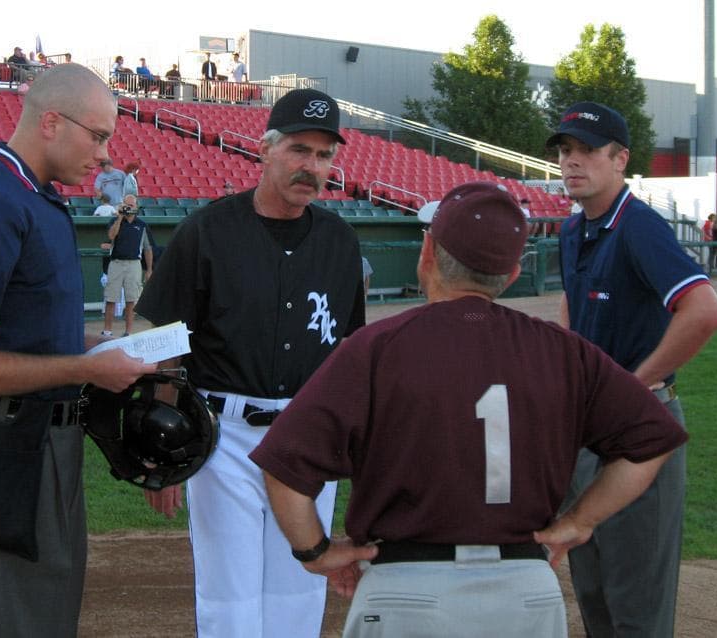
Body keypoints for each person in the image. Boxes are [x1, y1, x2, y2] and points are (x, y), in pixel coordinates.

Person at [249, 182, 692, 637]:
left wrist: (315, 552)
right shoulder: (564, 351)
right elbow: (652, 440)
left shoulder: (376, 347)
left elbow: (284, 466)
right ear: (514, 272)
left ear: (428, 252)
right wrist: (580, 522)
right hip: (526, 591)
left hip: (406, 589)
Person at [0, 62, 156, 637]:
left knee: (46, 618)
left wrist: (108, 349)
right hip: (5, 449)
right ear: (51, 121)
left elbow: (36, 335)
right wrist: (86, 367)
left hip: (47, 441)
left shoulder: (37, 198)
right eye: (99, 135)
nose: (107, 154)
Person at [136, 88, 365, 638]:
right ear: (264, 150)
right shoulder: (207, 232)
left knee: (299, 593)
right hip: (223, 439)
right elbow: (163, 342)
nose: (312, 166)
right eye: (298, 150)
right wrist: (163, 452)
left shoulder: (339, 241)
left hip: (308, 438)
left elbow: (352, 355)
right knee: (230, 600)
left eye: (324, 155)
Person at [551, 101, 717, 637]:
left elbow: (706, 311)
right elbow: (571, 304)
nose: (571, 161)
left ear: (620, 158)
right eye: (564, 150)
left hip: (638, 428)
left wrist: (631, 387)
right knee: (595, 591)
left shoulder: (639, 226)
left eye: (586, 150)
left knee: (637, 606)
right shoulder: (572, 230)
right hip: (589, 427)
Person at [100, 194, 152, 338]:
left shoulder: (141, 225)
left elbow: (147, 248)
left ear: (136, 207)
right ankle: (107, 330)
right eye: (126, 205)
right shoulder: (114, 221)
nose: (129, 208)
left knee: (131, 299)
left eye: (132, 205)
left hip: (134, 264)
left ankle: (128, 331)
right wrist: (120, 217)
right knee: (111, 298)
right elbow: (111, 236)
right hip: (116, 262)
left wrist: (149, 269)